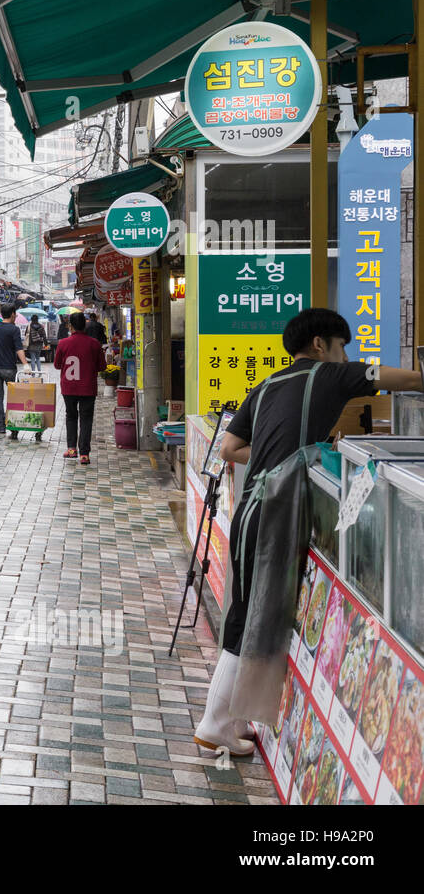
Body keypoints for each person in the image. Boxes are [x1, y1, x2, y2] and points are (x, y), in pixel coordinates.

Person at [193, 308, 424, 756]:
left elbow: (229, 448)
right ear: (321, 344)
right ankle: (214, 723)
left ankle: (227, 719)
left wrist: (283, 460)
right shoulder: (331, 376)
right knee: (248, 618)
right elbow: (412, 382)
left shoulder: (266, 385)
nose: (345, 356)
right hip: (274, 518)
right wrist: (294, 463)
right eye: (342, 346)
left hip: (250, 512)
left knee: (245, 612)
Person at [53, 312, 105, 464]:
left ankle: (71, 449)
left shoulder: (63, 343)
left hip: (69, 387)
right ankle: (84, 454)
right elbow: (102, 366)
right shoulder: (94, 343)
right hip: (88, 387)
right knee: (86, 418)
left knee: (71, 416)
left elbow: (57, 365)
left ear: (70, 326)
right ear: (85, 324)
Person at [0, 304, 28, 436]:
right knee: (14, 398)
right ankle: (13, 426)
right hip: (9, 369)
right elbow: (19, 348)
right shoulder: (14, 329)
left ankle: (1, 426)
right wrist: (26, 364)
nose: (16, 316)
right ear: (12, 314)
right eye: (15, 314)